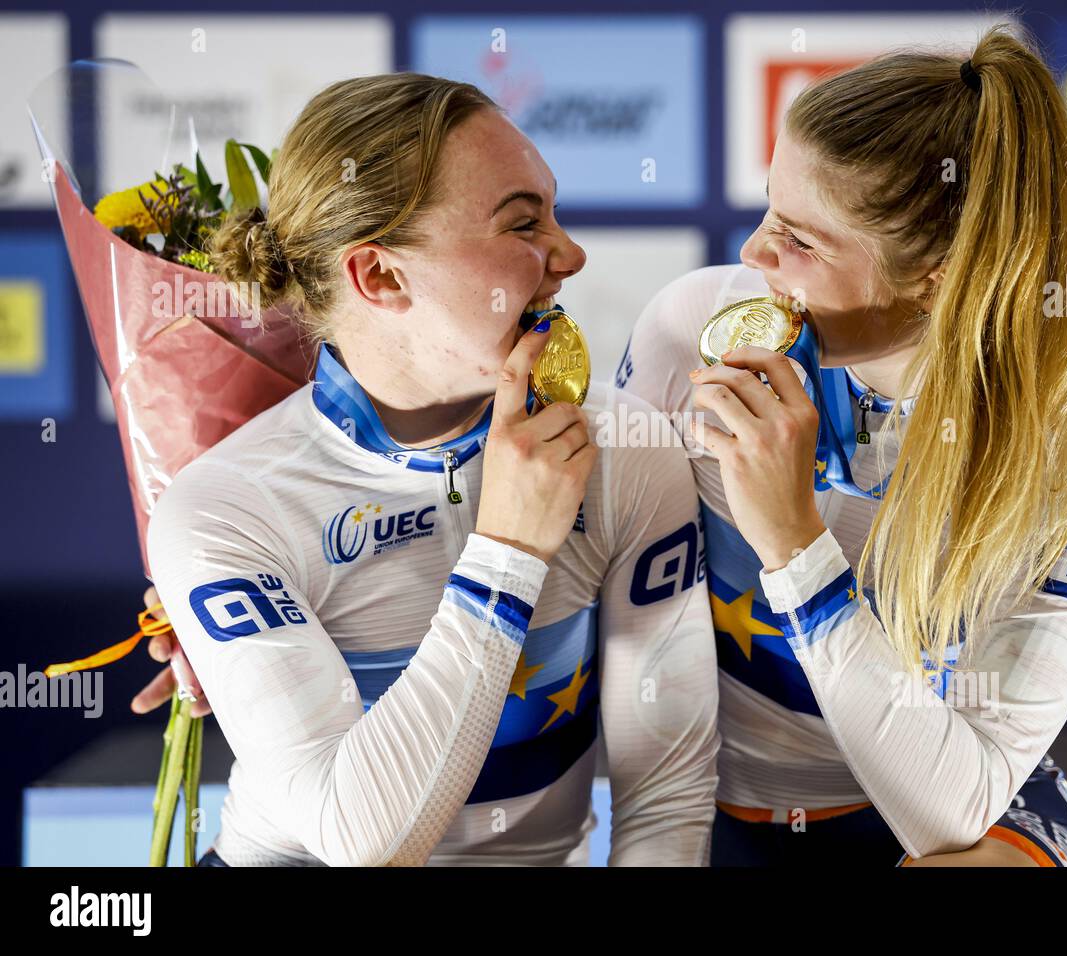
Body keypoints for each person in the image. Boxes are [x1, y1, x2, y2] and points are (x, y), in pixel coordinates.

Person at [142, 73, 719, 866]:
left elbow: (668, 797)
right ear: (380, 277)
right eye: (523, 225)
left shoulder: (628, 449)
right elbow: (363, 842)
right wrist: (508, 555)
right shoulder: (222, 507)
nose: (572, 254)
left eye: (555, 211)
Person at [615, 28, 1067, 866]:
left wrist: (793, 543)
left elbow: (953, 810)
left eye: (801, 238)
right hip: (719, 806)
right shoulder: (693, 332)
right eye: (768, 208)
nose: (755, 254)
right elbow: (613, 621)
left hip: (949, 819)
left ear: (936, 272)